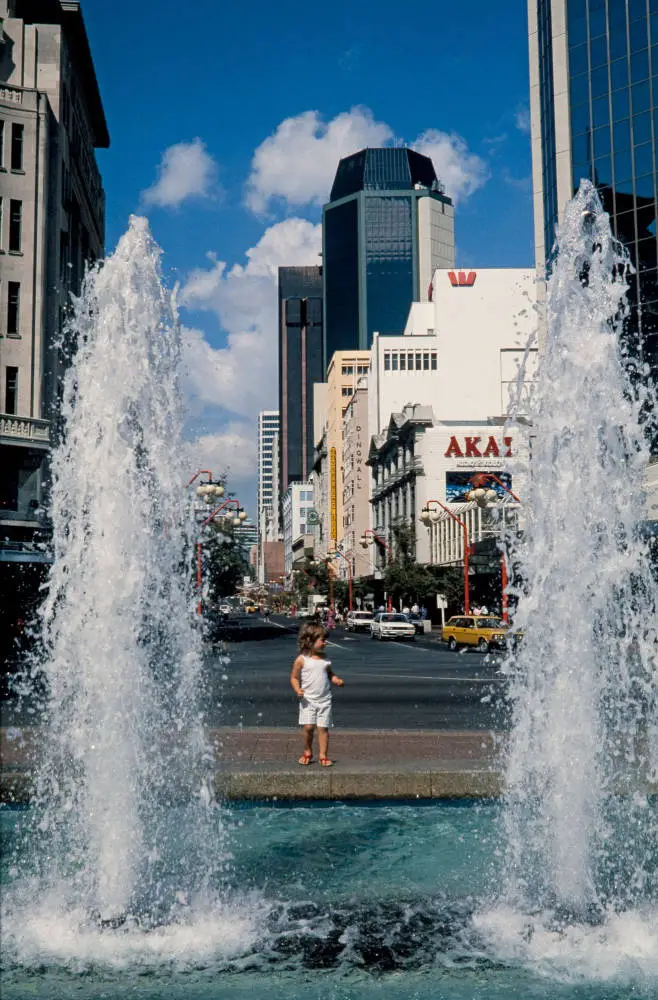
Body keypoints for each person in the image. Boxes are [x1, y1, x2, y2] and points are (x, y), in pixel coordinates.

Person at [290, 623, 344, 767]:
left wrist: (336, 679)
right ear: (310, 641)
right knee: (308, 727)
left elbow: (329, 673)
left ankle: (323, 756)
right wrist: (298, 689)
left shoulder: (325, 659)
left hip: (325, 700)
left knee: (323, 728)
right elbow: (294, 677)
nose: (326, 643)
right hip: (308, 700)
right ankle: (308, 750)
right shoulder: (302, 659)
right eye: (323, 640)